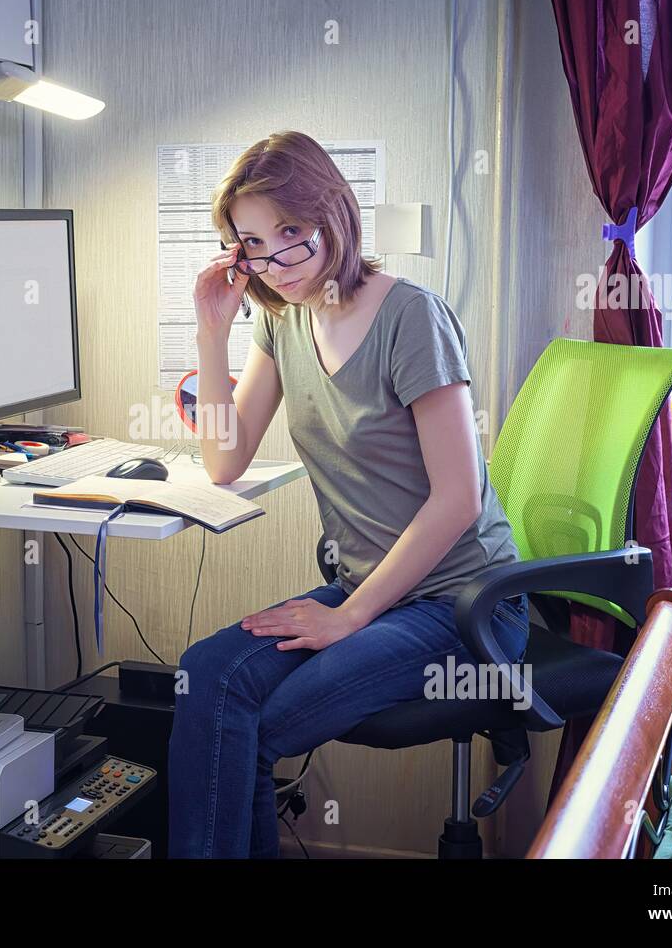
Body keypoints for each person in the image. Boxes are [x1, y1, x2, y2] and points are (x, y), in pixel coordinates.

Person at [168, 131, 527, 858]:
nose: (277, 260)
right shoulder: (279, 317)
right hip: (376, 595)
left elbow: (457, 498)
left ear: (334, 213)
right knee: (206, 673)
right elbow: (223, 461)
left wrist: (349, 617)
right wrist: (211, 333)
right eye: (254, 243)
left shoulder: (410, 317)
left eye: (292, 232)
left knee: (257, 723)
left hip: (465, 606)